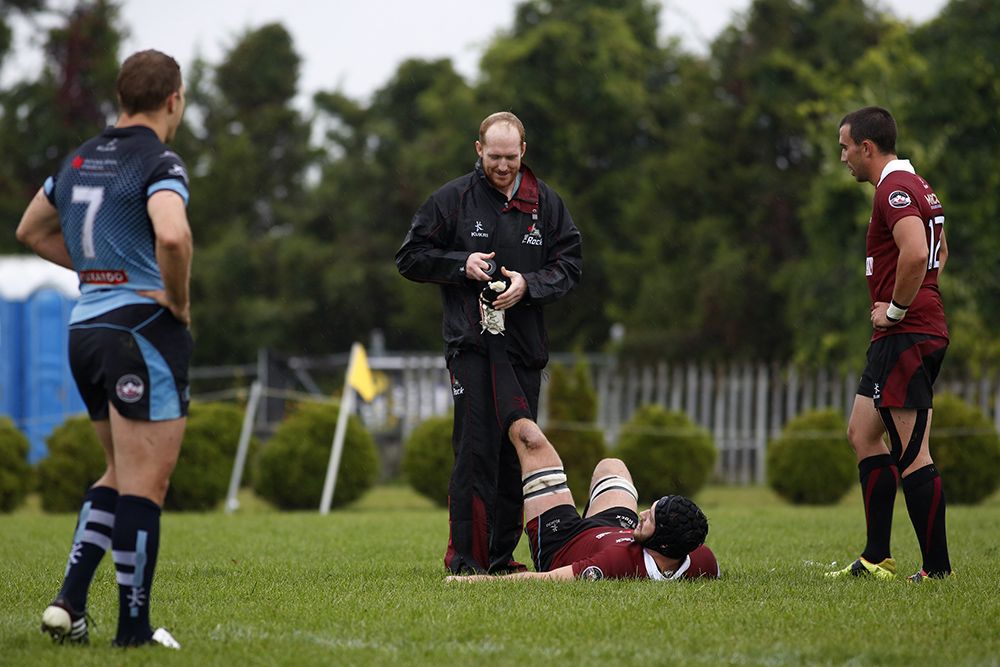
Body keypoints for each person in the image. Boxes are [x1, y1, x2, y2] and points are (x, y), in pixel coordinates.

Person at [16, 49, 193, 647]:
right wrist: (176, 300)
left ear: (122, 97)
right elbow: (172, 234)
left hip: (85, 330)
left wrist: (100, 272)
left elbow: (30, 229)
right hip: (140, 332)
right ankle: (134, 632)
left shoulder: (78, 159)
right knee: (146, 484)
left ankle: (69, 602)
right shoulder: (159, 160)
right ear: (173, 100)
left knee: (119, 472)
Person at [396, 111, 582, 574]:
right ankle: (466, 560)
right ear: (478, 150)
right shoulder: (452, 199)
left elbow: (570, 265)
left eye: (511, 157)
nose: (502, 166)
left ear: (524, 152)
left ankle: (500, 559)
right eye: (494, 156)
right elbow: (410, 257)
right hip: (472, 346)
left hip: (523, 349)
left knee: (516, 451)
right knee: (475, 452)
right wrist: (461, 265)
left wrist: (528, 285)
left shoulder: (546, 203)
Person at [448, 333, 719, 582]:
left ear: (663, 543)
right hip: (613, 528)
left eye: (650, 519)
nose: (643, 513)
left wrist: (472, 581)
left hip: (562, 539)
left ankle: (494, 340)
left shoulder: (615, 564)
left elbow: (541, 580)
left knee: (530, 439)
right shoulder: (702, 560)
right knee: (612, 465)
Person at [828, 106, 952, 583]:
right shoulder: (917, 184)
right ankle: (876, 557)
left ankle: (937, 571)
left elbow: (918, 252)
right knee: (862, 433)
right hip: (902, 334)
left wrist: (897, 308)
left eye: (845, 148)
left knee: (913, 452)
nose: (842, 157)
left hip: (906, 333)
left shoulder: (893, 189)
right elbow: (940, 250)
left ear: (867, 147)